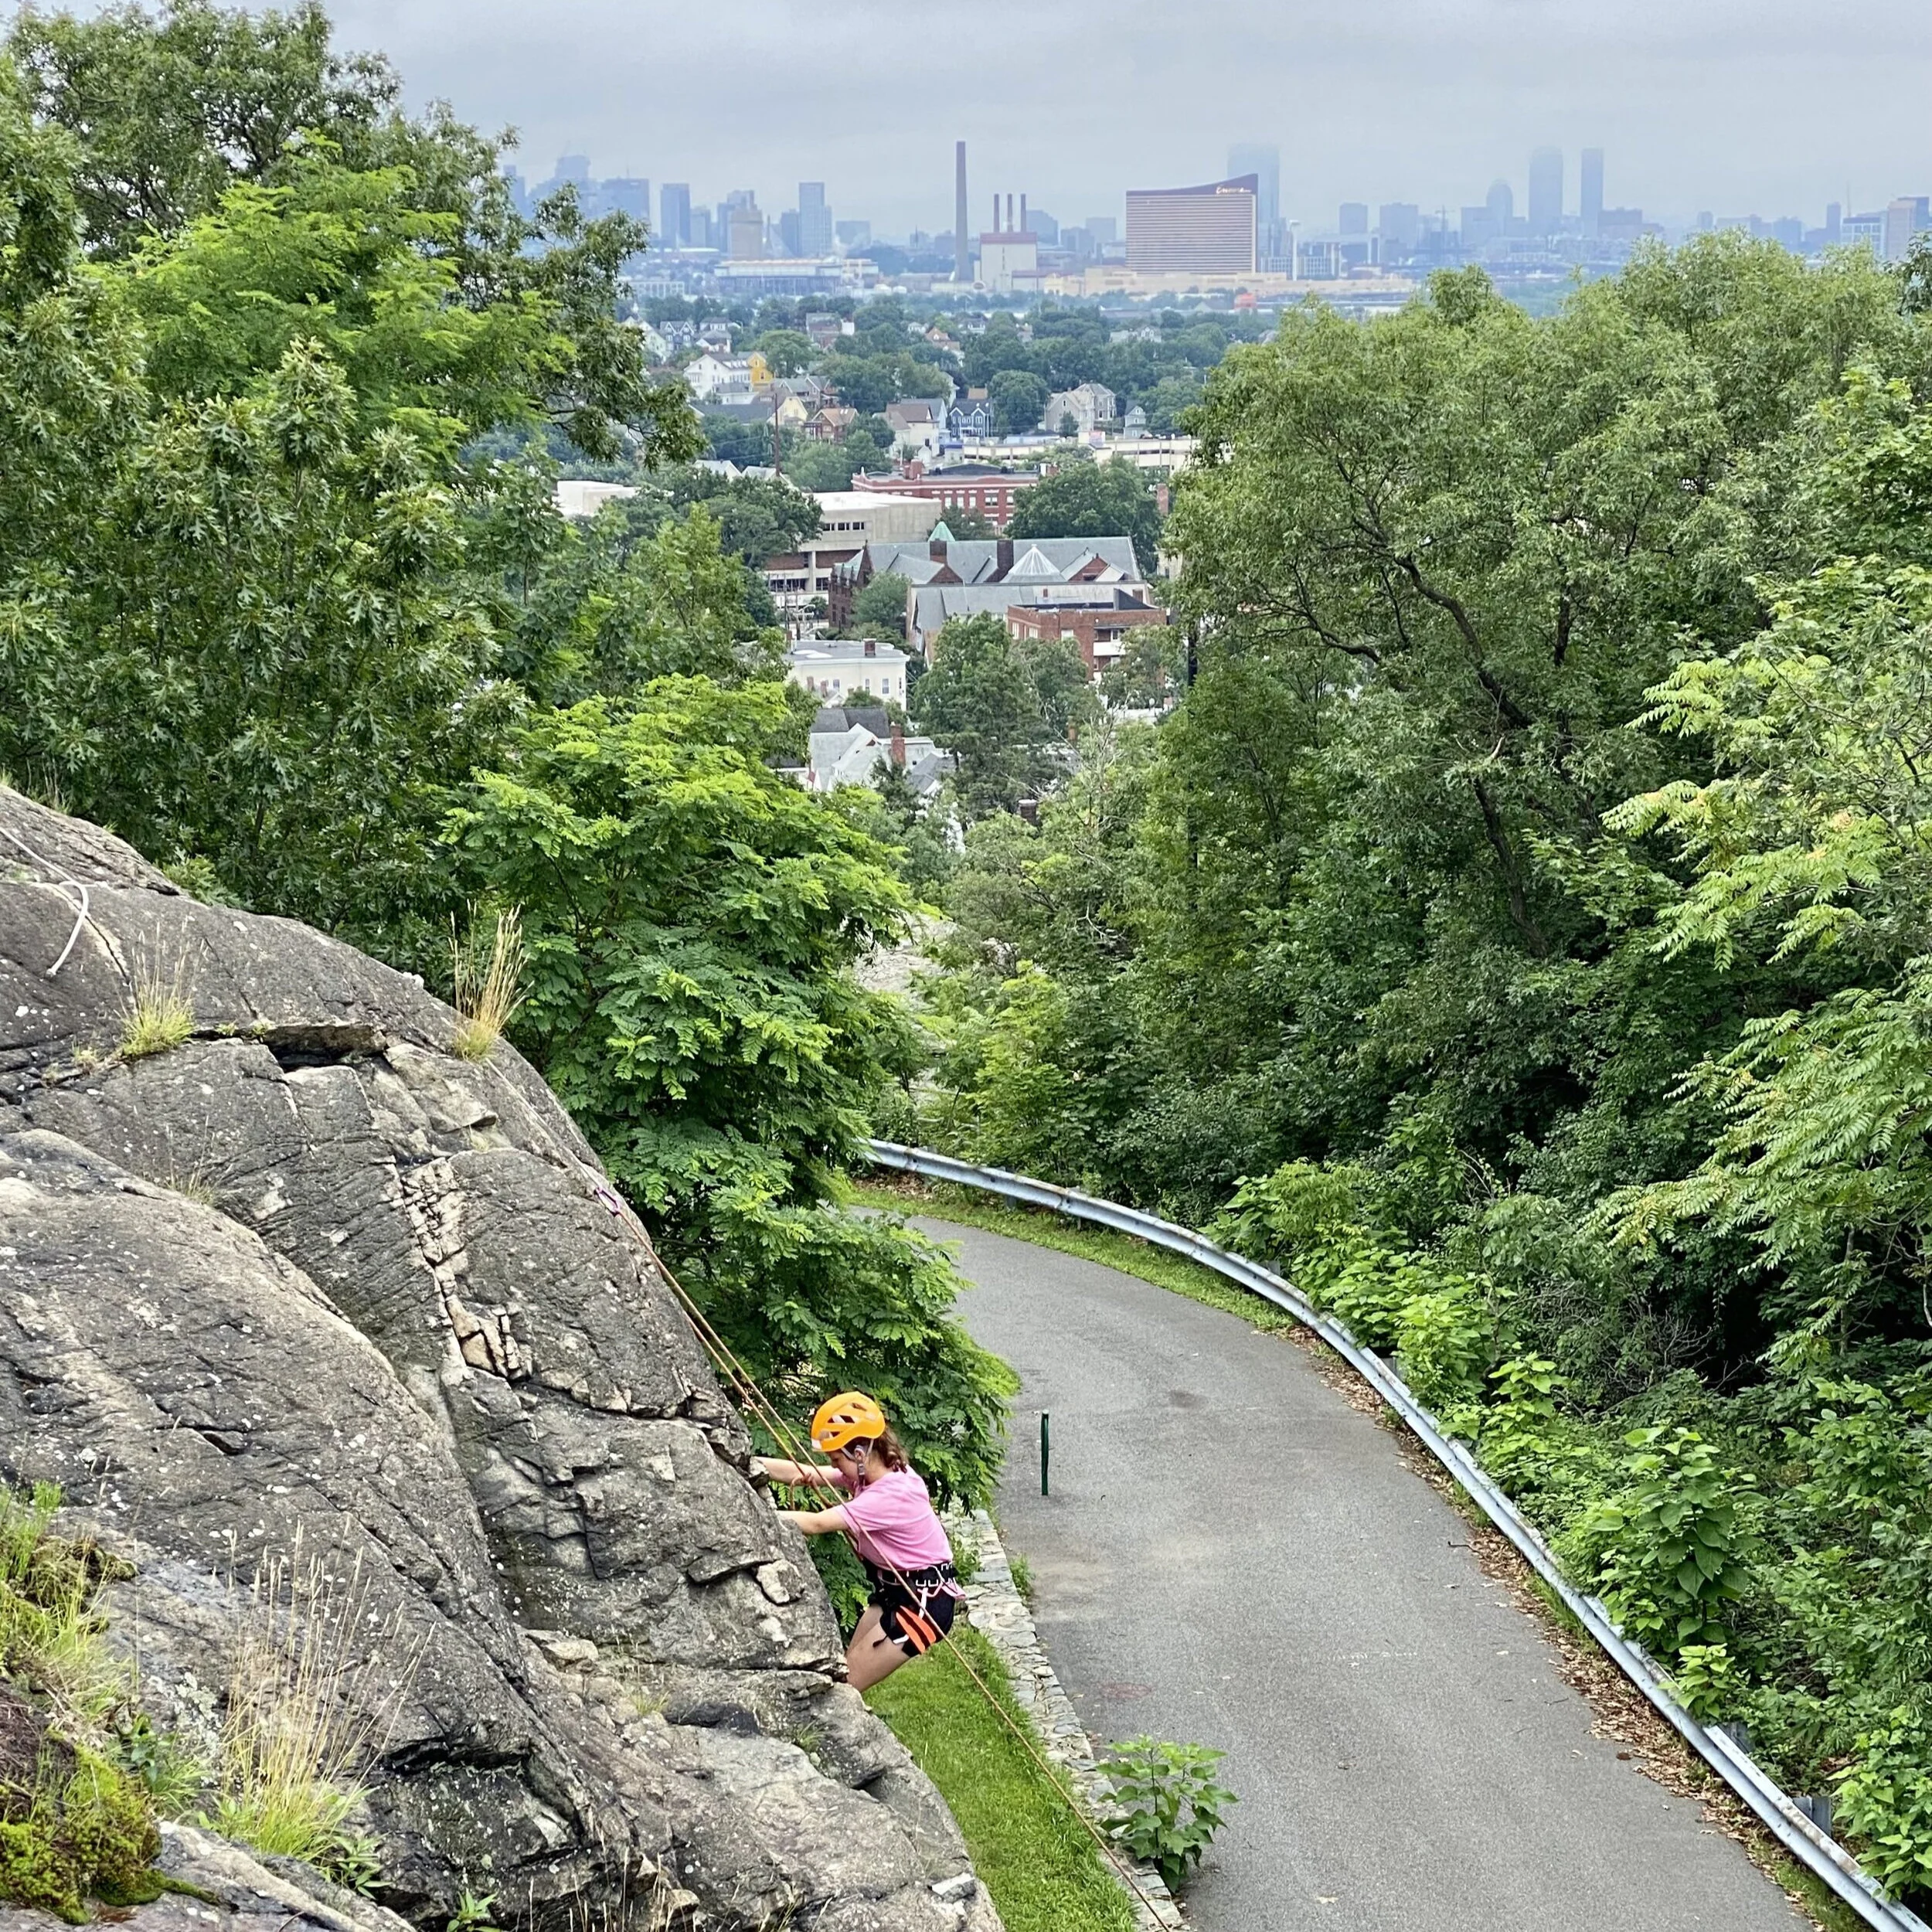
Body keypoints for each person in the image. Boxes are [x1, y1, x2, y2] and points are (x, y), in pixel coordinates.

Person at [753, 1391, 962, 1691]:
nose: (835, 1465)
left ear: (860, 1455)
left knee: (846, 1687)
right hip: (896, 1590)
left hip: (923, 1603)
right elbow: (807, 1473)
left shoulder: (890, 1494)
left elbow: (816, 1523)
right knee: (843, 1672)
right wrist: (749, 1462)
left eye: (837, 1458)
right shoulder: (872, 1476)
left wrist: (751, 1513)